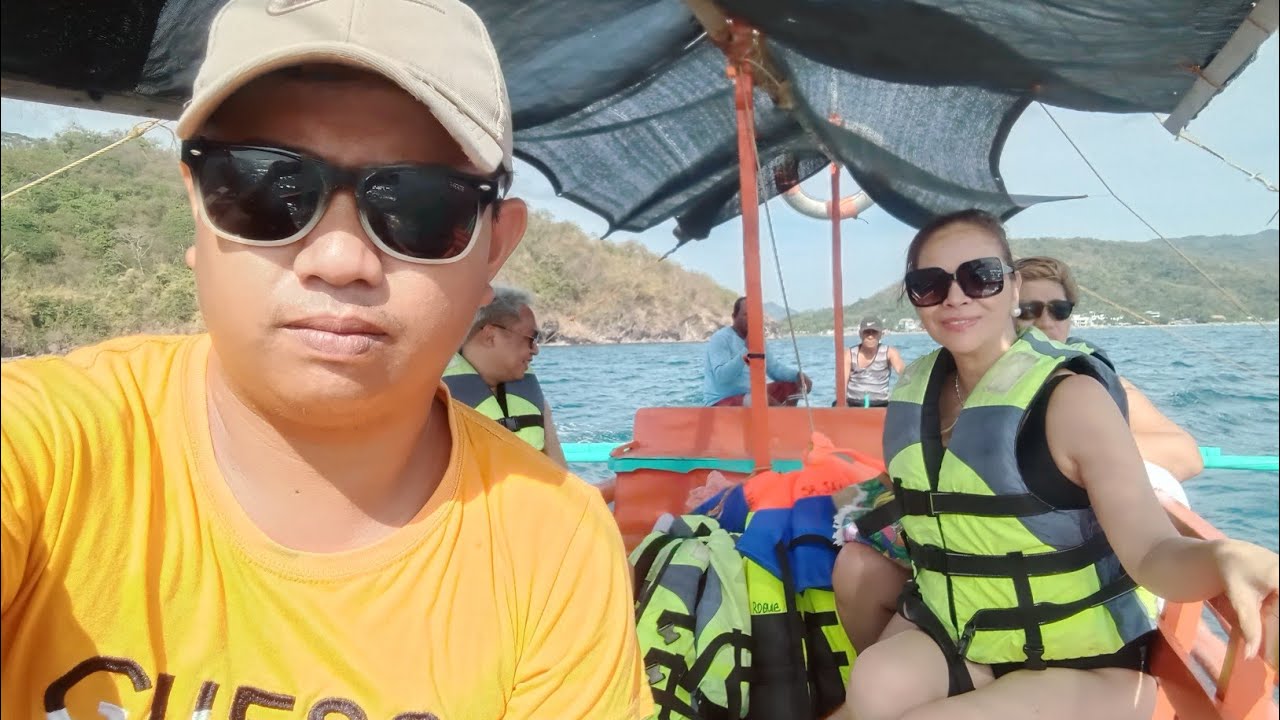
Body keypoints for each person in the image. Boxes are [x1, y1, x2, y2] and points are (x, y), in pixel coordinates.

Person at [0, 1, 652, 717]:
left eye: (419, 207)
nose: (339, 259)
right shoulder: (43, 445)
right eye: (265, 189)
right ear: (197, 208)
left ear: (493, 247)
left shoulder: (554, 546)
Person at [840, 210, 1277, 720]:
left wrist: (1223, 558)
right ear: (915, 299)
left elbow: (1152, 550)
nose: (955, 297)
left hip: (1083, 660)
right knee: (872, 684)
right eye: (930, 284)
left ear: (1013, 287)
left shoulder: (1072, 399)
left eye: (980, 276)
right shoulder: (917, 393)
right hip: (972, 634)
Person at [1014, 256, 1204, 501]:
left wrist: (1080, 449)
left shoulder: (1096, 382)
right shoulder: (975, 380)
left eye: (1059, 310)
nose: (1046, 322)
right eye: (1029, 310)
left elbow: (1186, 455)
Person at [444, 286, 567, 466]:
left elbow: (560, 473)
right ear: (490, 336)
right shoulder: (433, 398)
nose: (536, 350)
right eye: (530, 339)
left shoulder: (535, 401)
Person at [704, 296, 813, 406]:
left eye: (754, 315)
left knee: (792, 385)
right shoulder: (721, 338)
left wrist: (797, 375)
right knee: (760, 398)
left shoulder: (758, 340)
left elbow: (774, 369)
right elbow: (722, 377)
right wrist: (746, 350)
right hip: (721, 402)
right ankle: (782, 415)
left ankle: (784, 413)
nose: (751, 319)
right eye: (746, 315)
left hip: (750, 397)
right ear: (734, 317)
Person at [839, 317, 906, 407]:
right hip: (854, 403)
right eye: (867, 332)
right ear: (860, 334)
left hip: (880, 404)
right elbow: (842, 382)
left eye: (874, 332)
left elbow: (901, 370)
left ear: (881, 334)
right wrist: (843, 405)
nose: (870, 336)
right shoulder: (849, 354)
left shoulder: (890, 352)